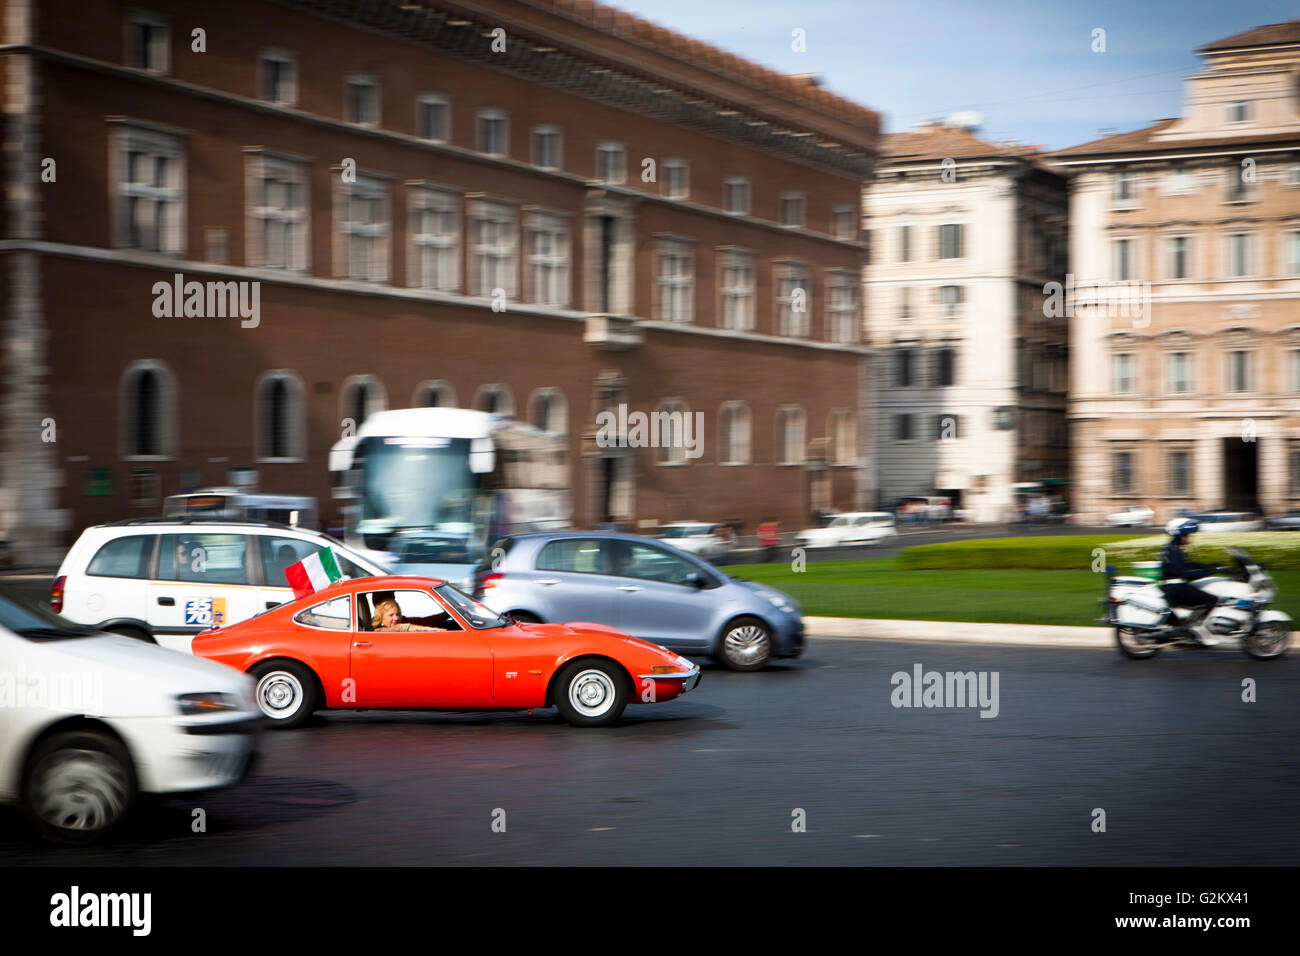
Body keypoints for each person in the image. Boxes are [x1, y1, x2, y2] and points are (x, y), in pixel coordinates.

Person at [1159, 518, 1219, 639]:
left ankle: (1190, 625)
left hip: (1175, 586)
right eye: (1187, 535)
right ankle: (1189, 628)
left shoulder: (1173, 548)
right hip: (1175, 588)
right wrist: (1209, 571)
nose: (1189, 538)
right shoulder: (1173, 550)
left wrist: (1209, 566)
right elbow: (1185, 573)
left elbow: (1187, 565)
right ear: (1180, 535)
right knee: (1211, 600)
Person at [370, 599, 445, 632]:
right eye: (391, 615)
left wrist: (444, 615)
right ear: (381, 617)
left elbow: (423, 621)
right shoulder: (378, 630)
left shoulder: (401, 621)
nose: (396, 618)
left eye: (397, 614)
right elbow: (399, 628)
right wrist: (433, 630)